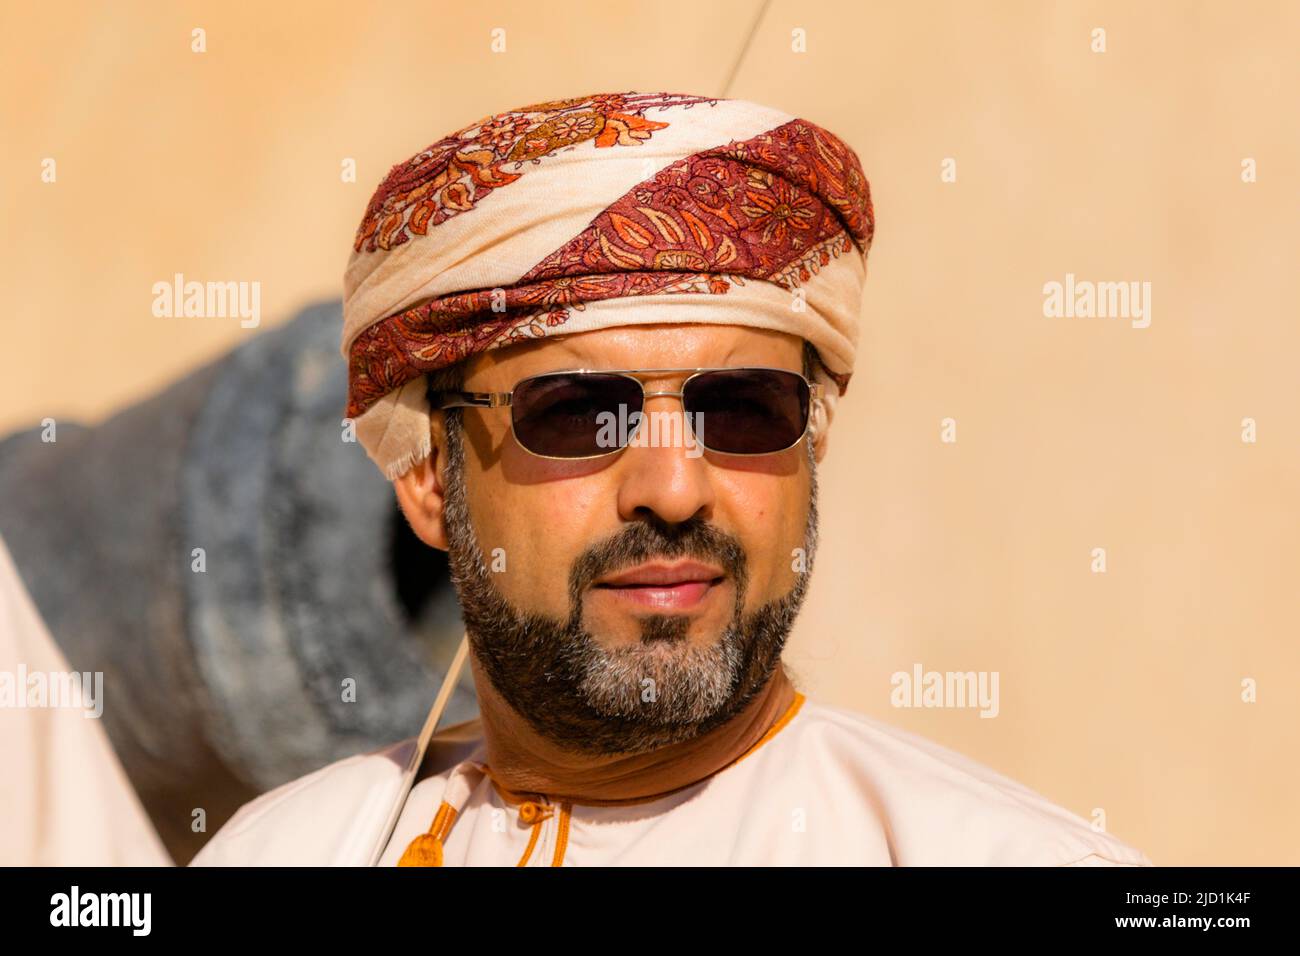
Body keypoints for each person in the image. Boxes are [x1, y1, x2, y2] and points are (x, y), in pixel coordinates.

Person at [191, 91, 1150, 867]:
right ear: (432, 477)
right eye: (573, 415)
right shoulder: (293, 850)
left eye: (741, 410)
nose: (675, 489)